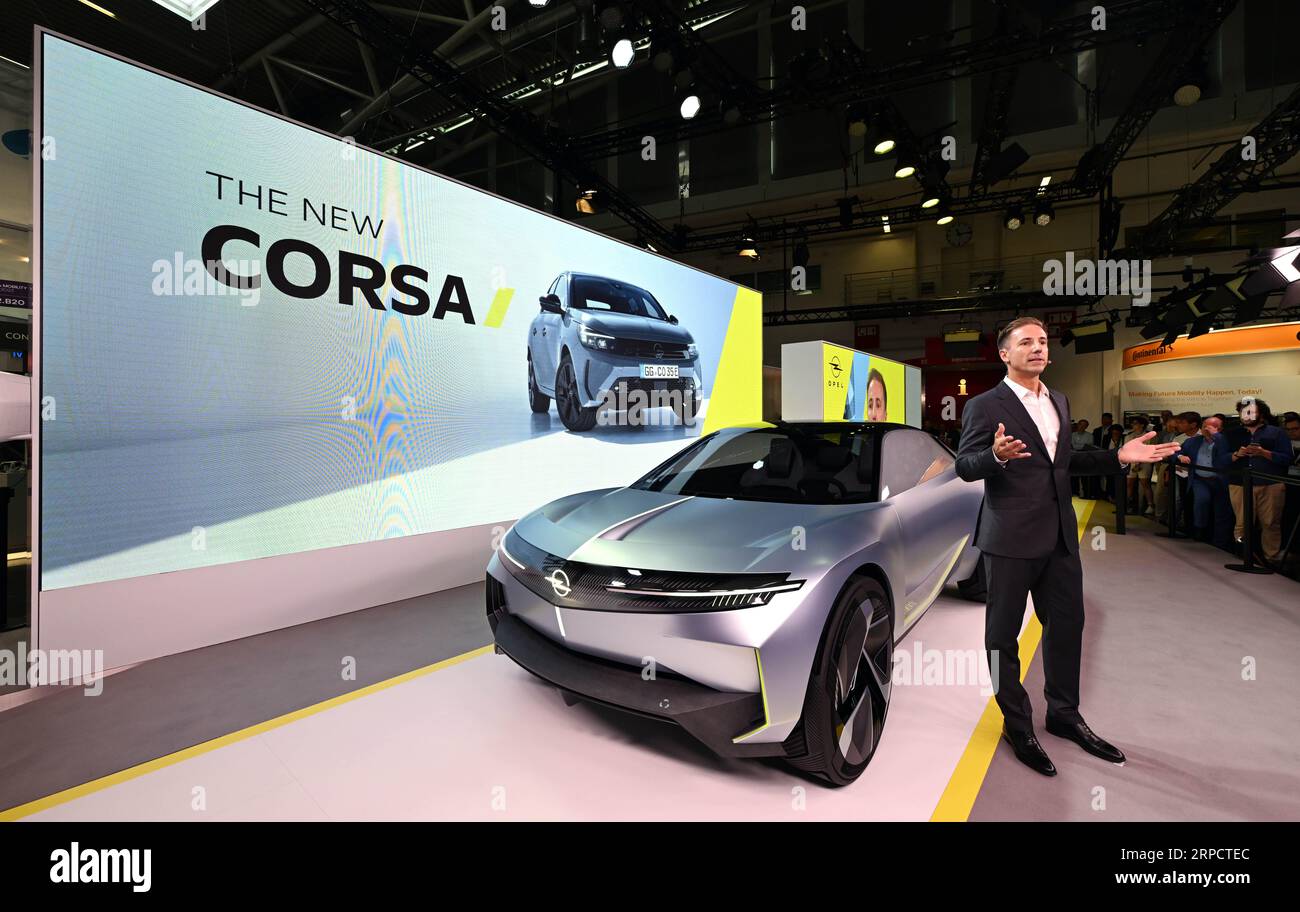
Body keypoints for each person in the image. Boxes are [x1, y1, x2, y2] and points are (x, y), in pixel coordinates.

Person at [955, 316, 1179, 777]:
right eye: (1025, 343)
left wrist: (1117, 456)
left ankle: (1063, 714)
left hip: (1059, 537)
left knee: (1067, 626)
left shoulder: (1057, 398)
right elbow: (964, 466)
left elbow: (1063, 463)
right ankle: (1016, 723)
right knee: (1001, 639)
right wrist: (994, 456)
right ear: (1005, 354)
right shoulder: (984, 405)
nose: (1037, 348)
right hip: (1010, 539)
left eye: (1042, 341)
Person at [1223, 398, 1291, 563]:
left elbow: (1287, 458)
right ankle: (1242, 555)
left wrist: (1264, 453)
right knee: (1241, 523)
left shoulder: (1277, 433)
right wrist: (1236, 455)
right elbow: (1219, 460)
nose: (1246, 415)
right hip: (1240, 484)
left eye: (1251, 412)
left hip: (1271, 484)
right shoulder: (1231, 433)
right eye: (1243, 412)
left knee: (1271, 522)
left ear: (1261, 414)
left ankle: (1272, 557)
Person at [1173, 414, 1233, 550]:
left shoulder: (1224, 441)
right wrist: (1180, 456)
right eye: (1205, 425)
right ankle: (1199, 531)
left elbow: (1225, 453)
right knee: (1201, 501)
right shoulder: (1193, 441)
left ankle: (1220, 542)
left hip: (1220, 480)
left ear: (1220, 428)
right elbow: (1174, 453)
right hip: (1200, 479)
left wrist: (1216, 436)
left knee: (1221, 510)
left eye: (1212, 426)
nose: (1207, 429)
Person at [1124, 415, 1155, 517]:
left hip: (1145, 462)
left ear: (1142, 425)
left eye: (1135, 423)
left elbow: (1149, 450)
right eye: (1132, 423)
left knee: (1145, 484)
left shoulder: (1149, 436)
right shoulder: (1129, 436)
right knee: (1129, 484)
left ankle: (1150, 506)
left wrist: (1139, 463)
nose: (1133, 425)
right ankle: (1127, 505)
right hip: (1131, 462)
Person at [1070, 420, 1093, 497]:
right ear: (1078, 425)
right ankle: (1075, 493)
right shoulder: (1072, 435)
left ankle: (1086, 494)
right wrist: (1082, 446)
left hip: (1085, 459)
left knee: (1085, 478)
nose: (1082, 427)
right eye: (1081, 425)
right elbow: (1072, 446)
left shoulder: (1090, 436)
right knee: (1074, 477)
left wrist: (1077, 446)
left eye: (1084, 425)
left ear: (1086, 427)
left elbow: (1088, 447)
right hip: (1074, 458)